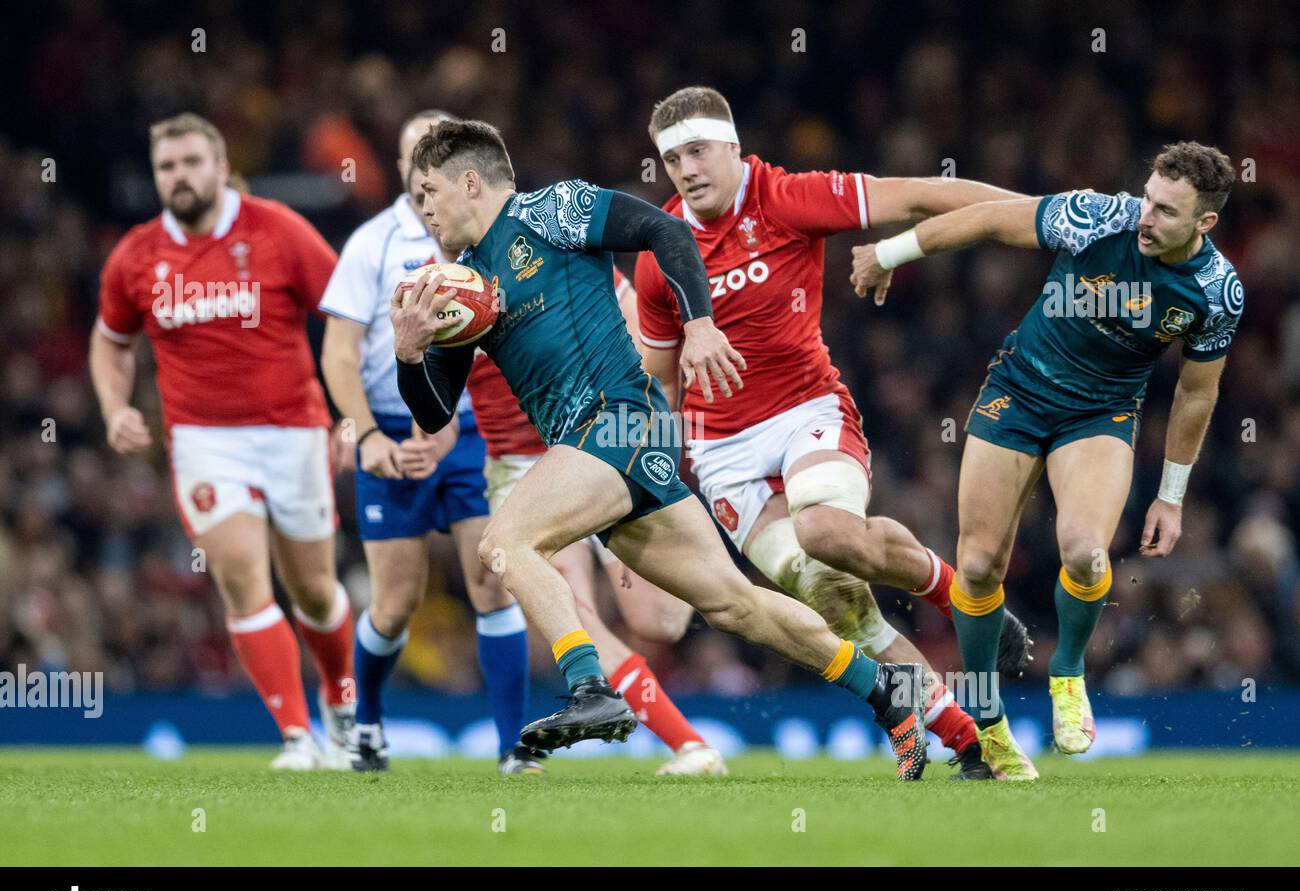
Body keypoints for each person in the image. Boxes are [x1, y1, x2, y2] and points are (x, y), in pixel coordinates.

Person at [394, 119, 929, 780]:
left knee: (505, 541)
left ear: (470, 182)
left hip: (620, 421)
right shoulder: (460, 286)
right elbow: (434, 410)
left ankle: (591, 689)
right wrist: (409, 351)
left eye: (429, 191)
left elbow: (665, 231)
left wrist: (699, 323)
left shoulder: (553, 211)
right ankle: (891, 701)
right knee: (736, 605)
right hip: (606, 453)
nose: (422, 207)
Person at [634, 87, 1032, 777]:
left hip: (805, 412)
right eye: (671, 159)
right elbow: (658, 381)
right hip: (722, 452)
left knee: (826, 532)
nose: (687, 168)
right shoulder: (658, 253)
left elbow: (910, 196)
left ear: (732, 146)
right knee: (842, 610)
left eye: (697, 150)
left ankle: (964, 598)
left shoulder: (785, 198)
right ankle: (975, 742)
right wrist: (647, 471)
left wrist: (1038, 214)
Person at [851, 142, 1242, 779]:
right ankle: (988, 726)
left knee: (1086, 550)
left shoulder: (1216, 292)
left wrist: (1171, 495)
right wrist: (889, 252)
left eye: (1167, 212)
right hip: (1018, 394)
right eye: (1147, 198)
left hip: (1101, 414)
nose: (1146, 218)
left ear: (1205, 223)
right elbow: (983, 218)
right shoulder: (1096, 217)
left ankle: (1067, 674)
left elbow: (1197, 392)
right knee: (976, 566)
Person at [90, 113, 355, 770]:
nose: (178, 176)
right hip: (204, 441)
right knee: (240, 572)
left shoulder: (277, 229)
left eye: (189, 162)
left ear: (218, 163)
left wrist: (357, 414)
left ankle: (341, 705)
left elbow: (348, 312)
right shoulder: (138, 255)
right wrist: (114, 405)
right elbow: (110, 340)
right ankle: (297, 737)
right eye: (166, 167)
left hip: (294, 430)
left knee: (316, 590)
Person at [319, 110, 536, 774]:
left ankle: (512, 748)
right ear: (404, 168)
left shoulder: (496, 236)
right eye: (419, 158)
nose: (429, 172)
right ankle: (369, 729)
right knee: (394, 603)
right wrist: (364, 438)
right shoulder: (372, 244)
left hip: (474, 431)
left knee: (493, 582)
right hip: (392, 431)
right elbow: (339, 355)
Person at [467, 267, 725, 776]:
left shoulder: (574, 266)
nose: (429, 208)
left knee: (661, 621)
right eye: (421, 192)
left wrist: (654, 441)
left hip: (602, 448)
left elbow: (645, 352)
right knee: (575, 612)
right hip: (523, 471)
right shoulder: (447, 290)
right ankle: (691, 745)